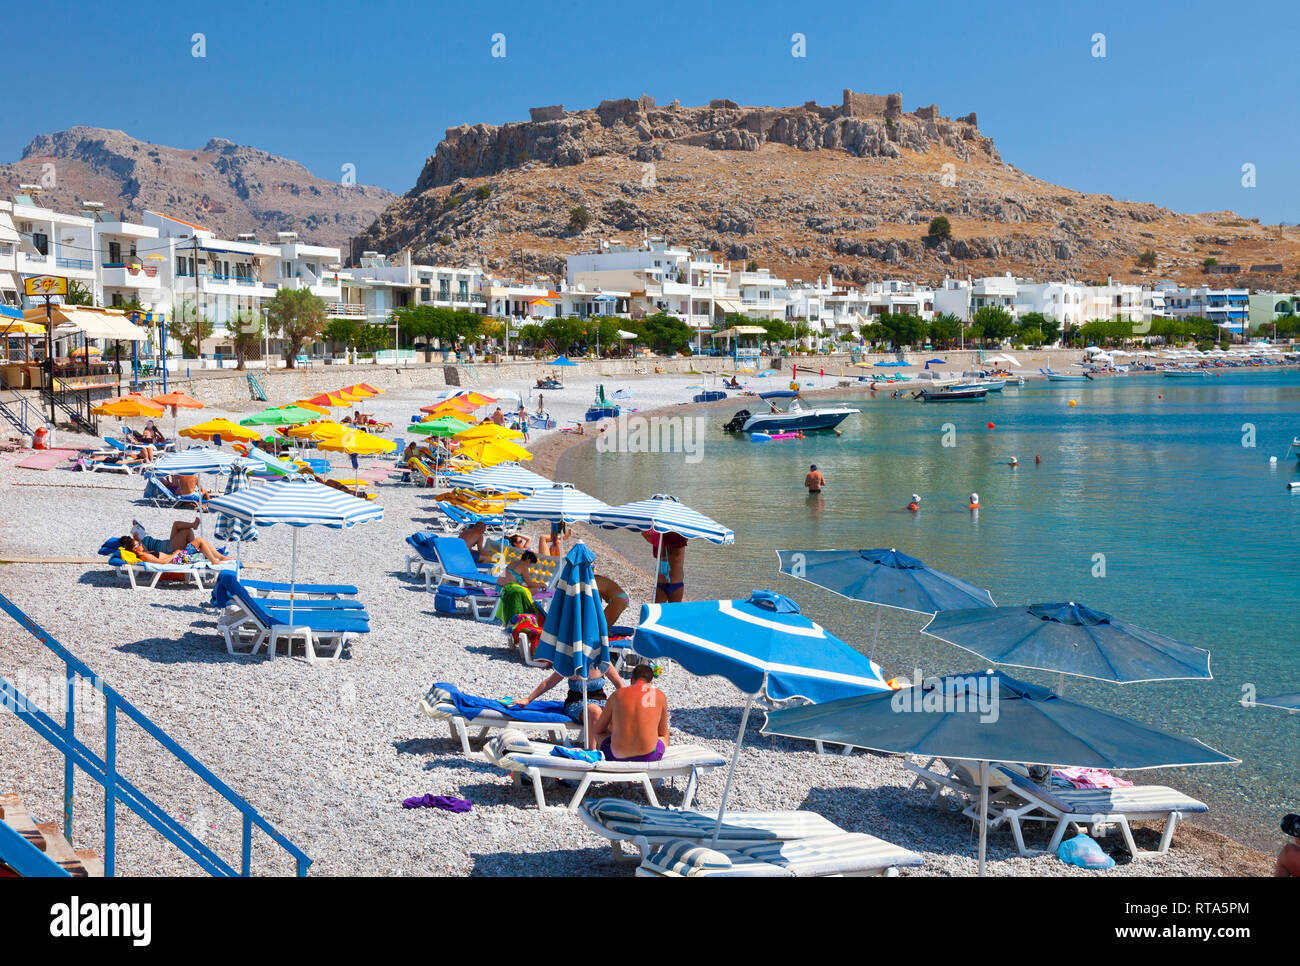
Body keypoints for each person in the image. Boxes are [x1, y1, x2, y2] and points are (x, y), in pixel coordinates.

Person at [521, 662, 628, 749]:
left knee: (616, 715)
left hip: (601, 702)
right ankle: (592, 752)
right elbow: (548, 683)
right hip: (576, 703)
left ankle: (617, 751)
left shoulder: (603, 662)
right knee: (595, 711)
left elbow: (621, 687)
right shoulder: (572, 661)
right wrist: (528, 699)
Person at [592, 663, 669, 762]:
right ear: (651, 684)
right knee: (666, 734)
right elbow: (662, 732)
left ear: (631, 679)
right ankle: (655, 776)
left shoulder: (617, 695)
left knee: (600, 734)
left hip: (616, 757)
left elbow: (598, 729)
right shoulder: (659, 695)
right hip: (648, 757)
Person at [118, 532, 229, 565]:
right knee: (200, 541)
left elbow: (132, 544)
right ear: (134, 549)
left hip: (180, 557)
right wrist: (174, 553)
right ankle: (215, 561)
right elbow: (162, 562)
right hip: (180, 559)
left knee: (200, 541)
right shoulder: (144, 555)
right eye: (139, 545)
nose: (142, 545)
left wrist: (135, 537)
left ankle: (221, 557)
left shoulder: (144, 553)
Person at [643, 529, 687, 603]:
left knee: (663, 613)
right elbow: (643, 532)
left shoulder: (659, 539)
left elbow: (644, 532)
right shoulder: (681, 538)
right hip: (668, 583)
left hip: (669, 584)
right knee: (665, 612)